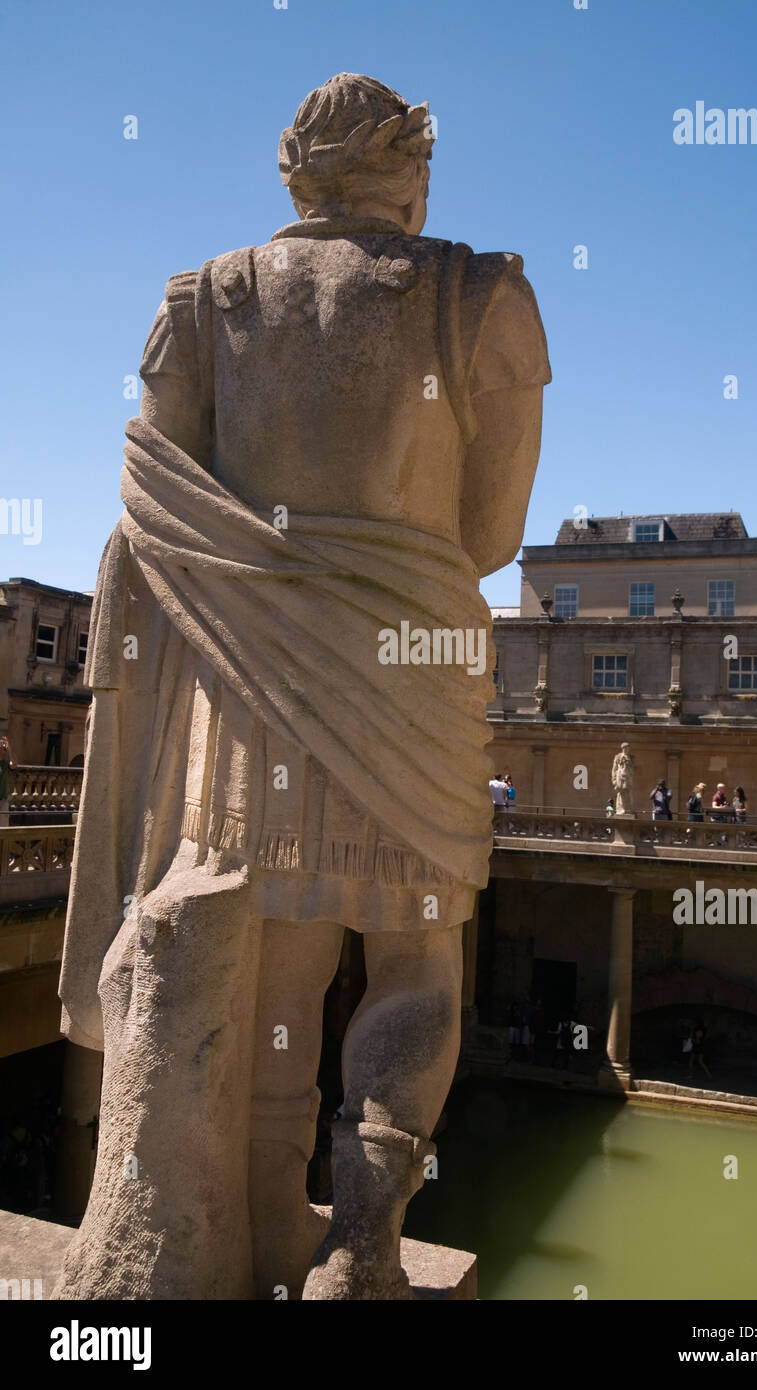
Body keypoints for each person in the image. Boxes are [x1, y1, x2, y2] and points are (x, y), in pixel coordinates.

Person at [53, 71, 552, 1303]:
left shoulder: (204, 298)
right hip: (412, 657)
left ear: (296, 174)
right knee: (413, 963)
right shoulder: (480, 295)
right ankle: (357, 1250)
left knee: (262, 960)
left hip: (243, 684)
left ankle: (249, 1218)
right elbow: (489, 532)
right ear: (409, 170)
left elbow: (158, 509)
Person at [0, 735, 16, 828]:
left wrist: (9, 748)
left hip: (3, 801)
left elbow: (14, 764)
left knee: (3, 828)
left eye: (2, 748)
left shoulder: (6, 764)